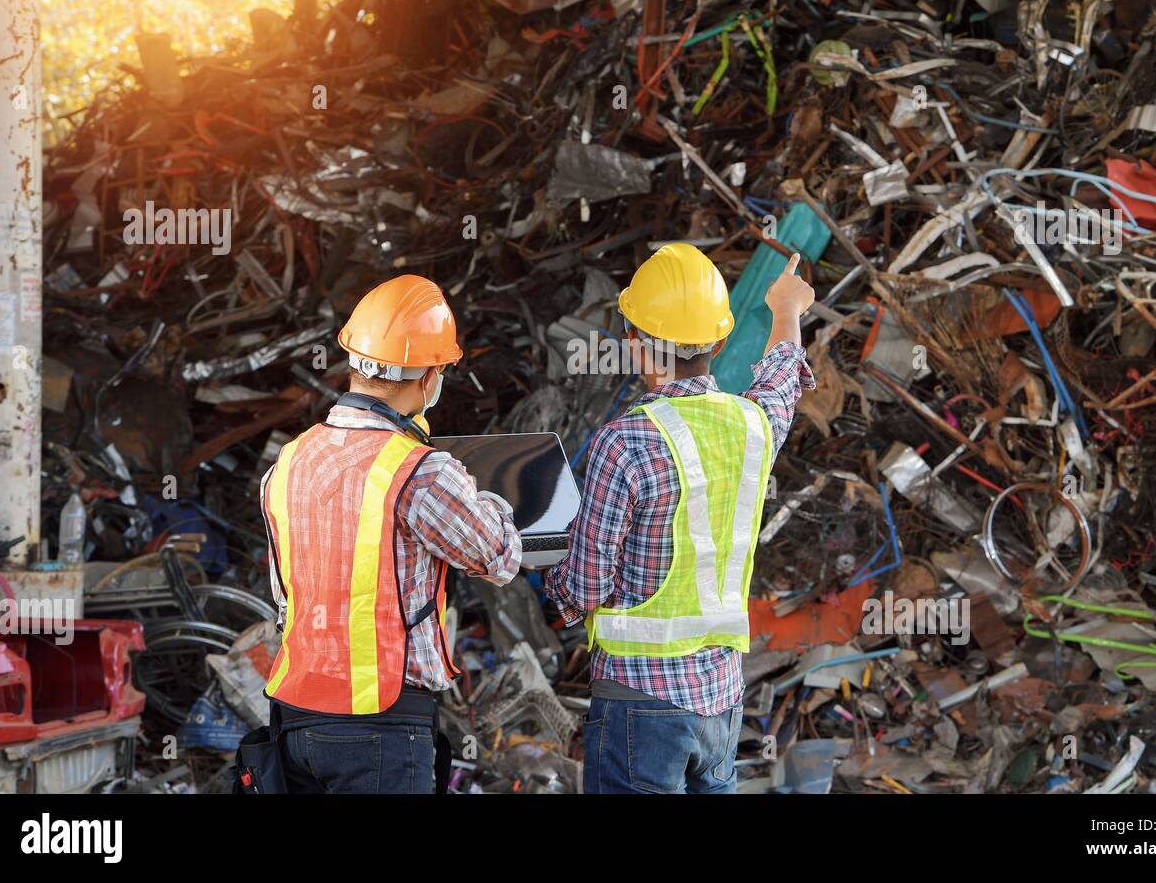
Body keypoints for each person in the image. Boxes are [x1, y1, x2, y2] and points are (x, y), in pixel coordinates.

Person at [545, 242, 815, 793]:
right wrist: (786, 310)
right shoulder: (752, 427)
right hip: (720, 702)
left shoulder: (624, 444)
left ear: (634, 340)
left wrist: (547, 571)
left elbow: (586, 586)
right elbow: (781, 378)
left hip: (638, 705)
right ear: (719, 341)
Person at [257, 274, 521, 793]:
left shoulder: (287, 462)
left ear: (356, 362)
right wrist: (483, 494)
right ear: (427, 378)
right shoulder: (422, 472)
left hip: (294, 716)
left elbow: (285, 597)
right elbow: (500, 557)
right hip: (380, 720)